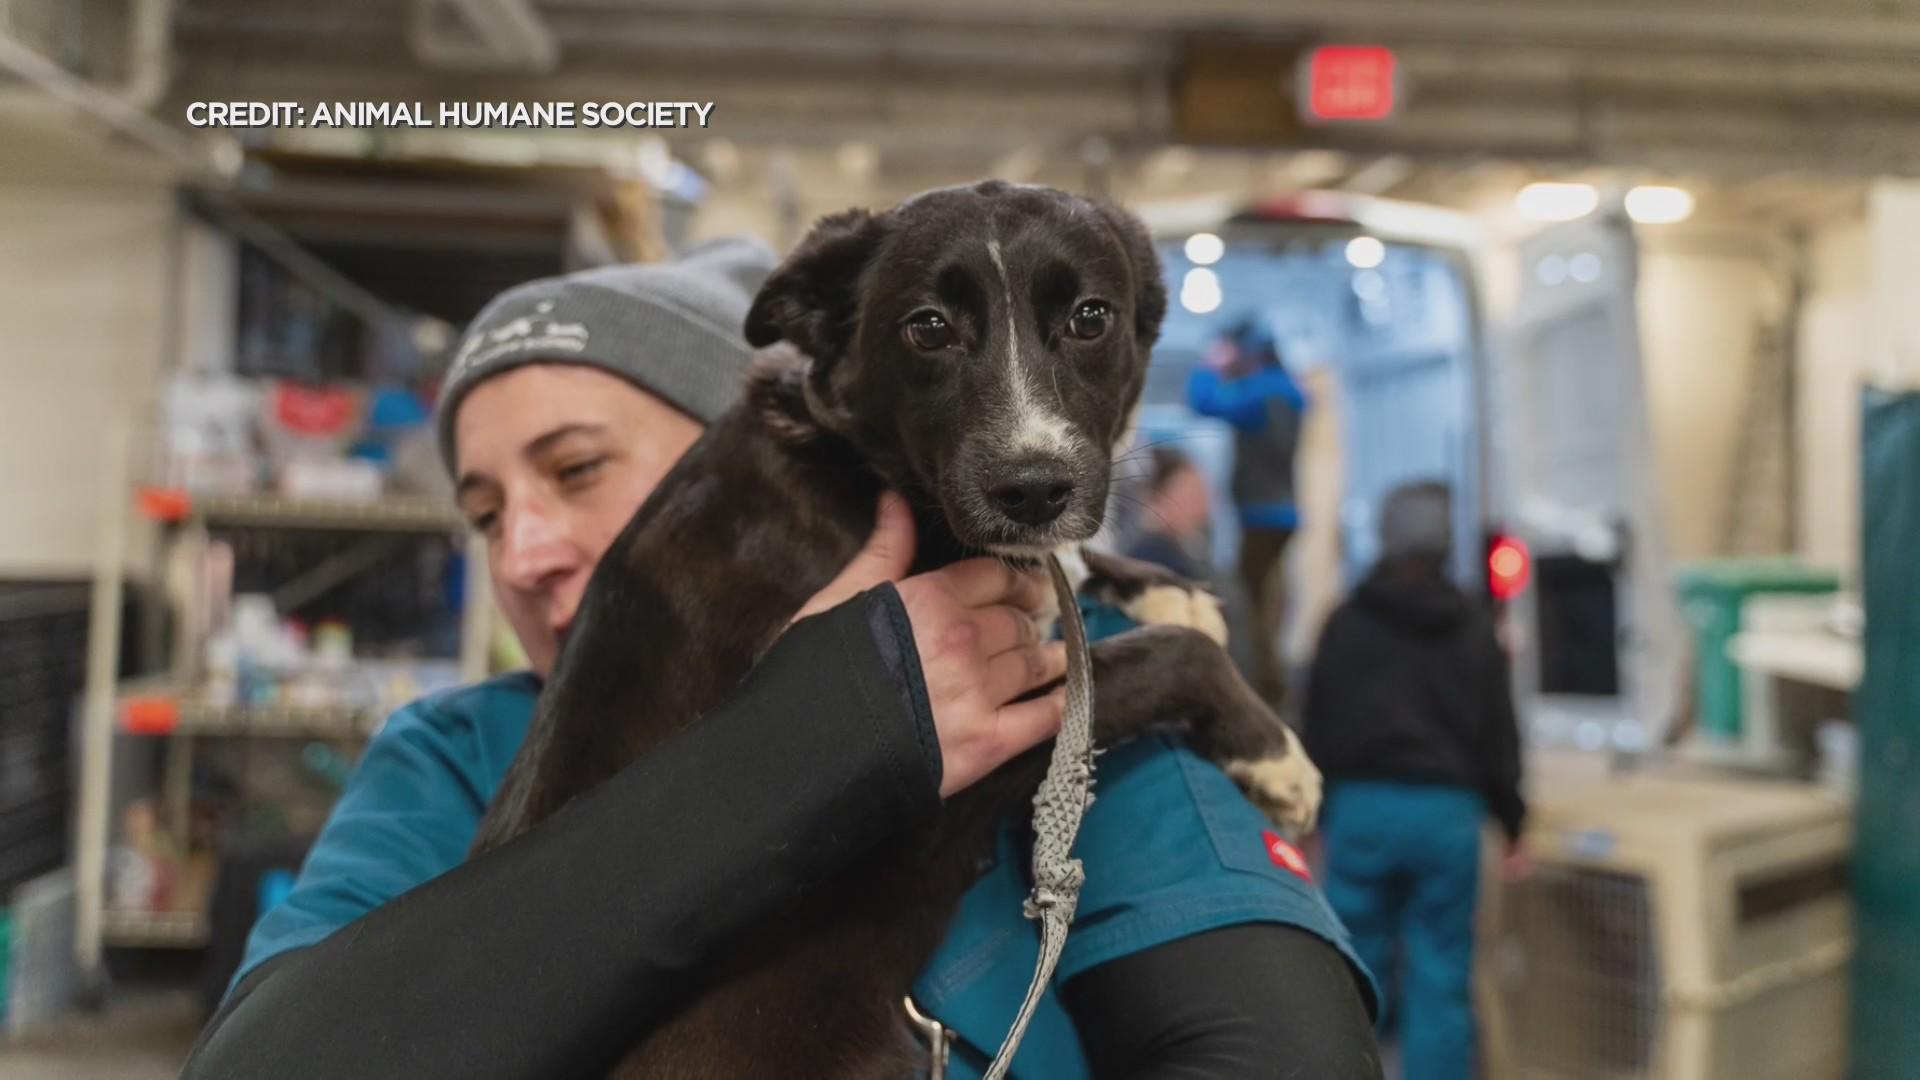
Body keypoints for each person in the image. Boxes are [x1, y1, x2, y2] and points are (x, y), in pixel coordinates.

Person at [183, 238, 1381, 1080]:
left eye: (579, 468)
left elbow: (1279, 1054)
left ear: (748, 449)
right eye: (486, 510)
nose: (527, 550)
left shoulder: (1072, 688)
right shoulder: (448, 758)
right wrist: (793, 753)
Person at [1299, 481, 1529, 1080]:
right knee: (1443, 971)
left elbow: (1314, 723)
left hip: (1362, 812)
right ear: (1444, 541)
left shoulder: (1345, 622)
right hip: (1447, 815)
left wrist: (1311, 815)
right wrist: (1514, 822)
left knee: (1354, 969)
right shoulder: (1474, 626)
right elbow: (1499, 735)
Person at [1186, 317, 1309, 706]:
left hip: (1261, 515)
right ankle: (1275, 684)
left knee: (1252, 607)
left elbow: (1204, 402)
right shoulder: (1288, 392)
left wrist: (1212, 365)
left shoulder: (1262, 395)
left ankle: (1265, 691)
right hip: (1283, 514)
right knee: (1271, 599)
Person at [1121, 447, 1214, 581]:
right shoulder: (1154, 553)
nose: (1203, 507)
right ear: (1157, 498)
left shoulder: (1188, 547)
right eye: (1191, 496)